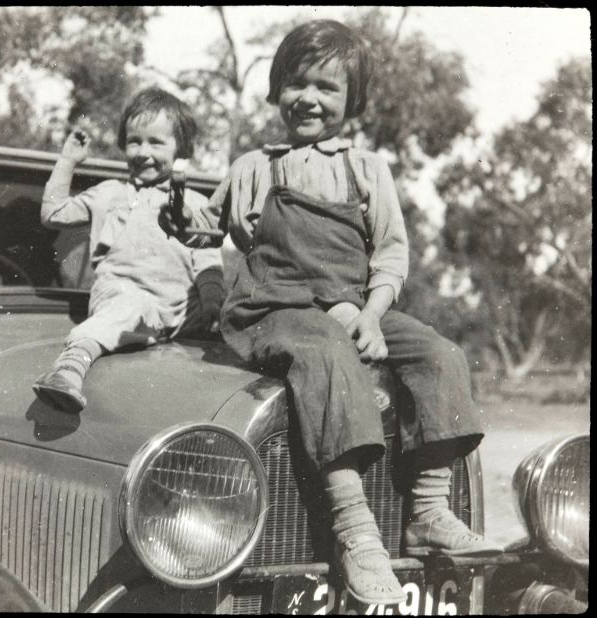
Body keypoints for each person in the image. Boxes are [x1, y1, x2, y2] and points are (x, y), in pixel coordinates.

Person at [160, 20, 501, 606]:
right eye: (296, 83)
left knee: (440, 355)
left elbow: (391, 255)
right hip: (273, 308)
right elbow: (204, 228)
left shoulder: (367, 171)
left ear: (352, 102)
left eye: (326, 88)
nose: (309, 99)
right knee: (325, 350)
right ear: (276, 89)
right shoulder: (252, 168)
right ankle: (356, 532)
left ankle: (427, 510)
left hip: (351, 305)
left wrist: (372, 316)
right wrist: (181, 211)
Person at [34, 87, 224, 412]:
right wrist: (68, 161)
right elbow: (53, 213)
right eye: (134, 141)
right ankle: (71, 364)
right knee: (132, 304)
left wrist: (213, 308)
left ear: (180, 147)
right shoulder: (108, 194)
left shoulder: (195, 203)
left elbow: (207, 262)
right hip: (121, 300)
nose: (142, 151)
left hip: (178, 314)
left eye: (156, 142)